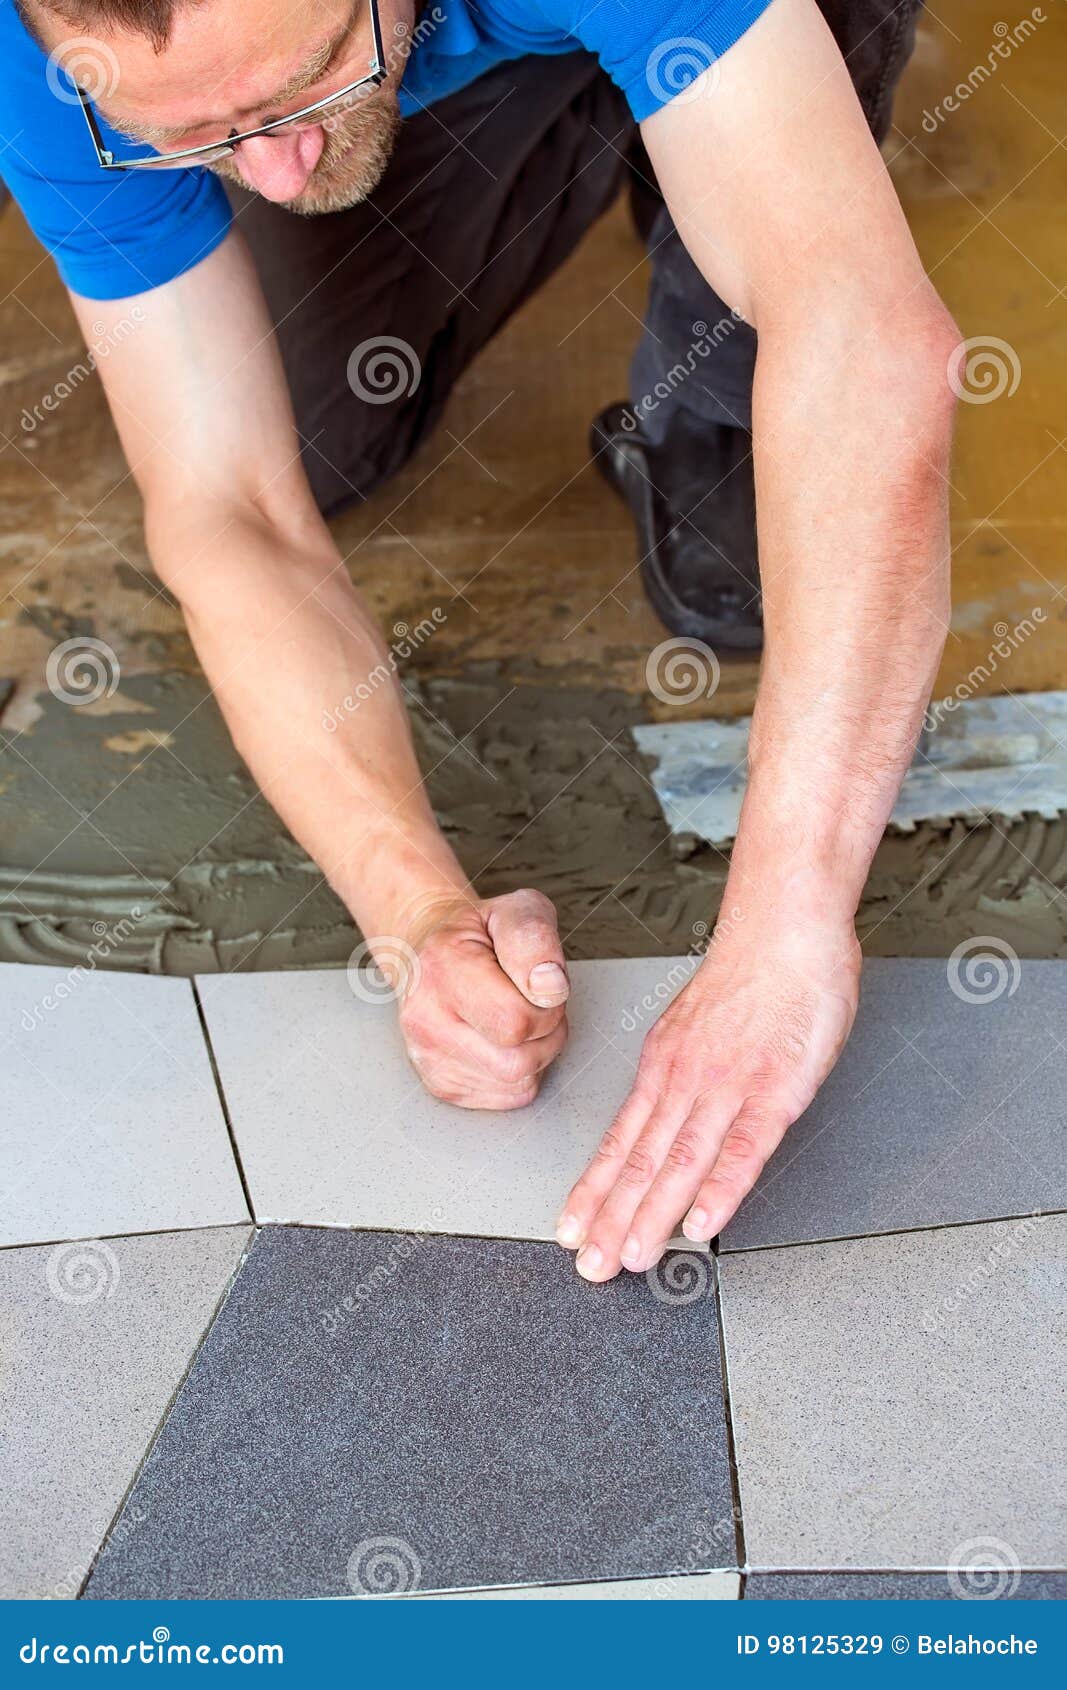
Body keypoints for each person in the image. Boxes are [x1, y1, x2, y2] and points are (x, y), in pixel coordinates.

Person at [2, 0, 958, 1281]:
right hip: (471, 48)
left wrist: (784, 934)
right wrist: (415, 913)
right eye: (196, 136)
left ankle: (713, 290)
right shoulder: (57, 58)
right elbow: (227, 509)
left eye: (291, 91)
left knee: (781, 448)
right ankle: (590, 100)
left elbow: (872, 342)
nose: (272, 171)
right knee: (319, 419)